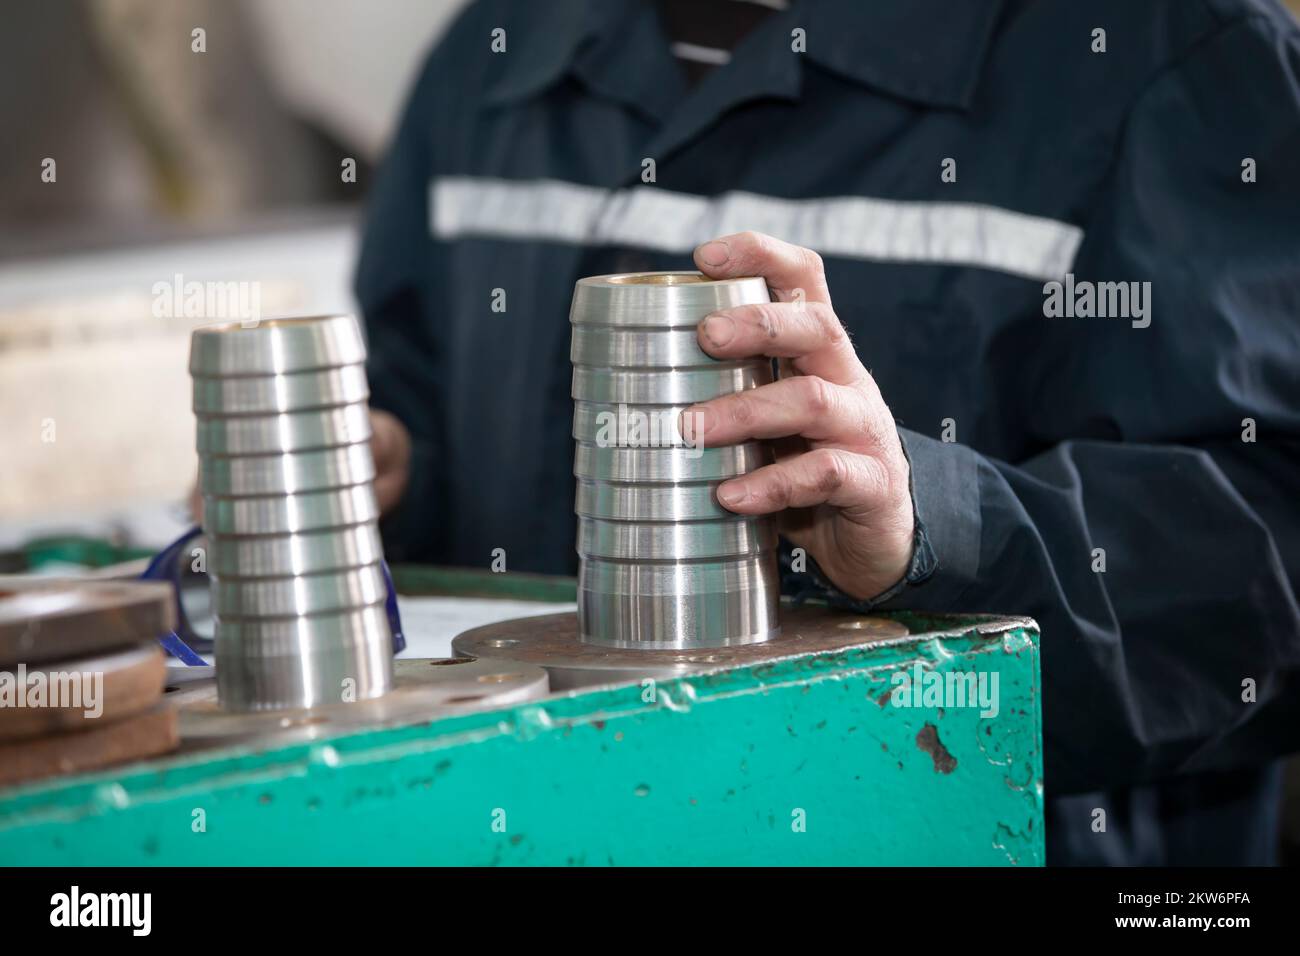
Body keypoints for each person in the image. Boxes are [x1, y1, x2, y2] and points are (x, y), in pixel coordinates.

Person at [356, 0, 1300, 864]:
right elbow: (428, 396)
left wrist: (935, 523)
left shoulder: (1170, 55)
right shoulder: (493, 56)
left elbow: (1270, 555)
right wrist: (400, 472)